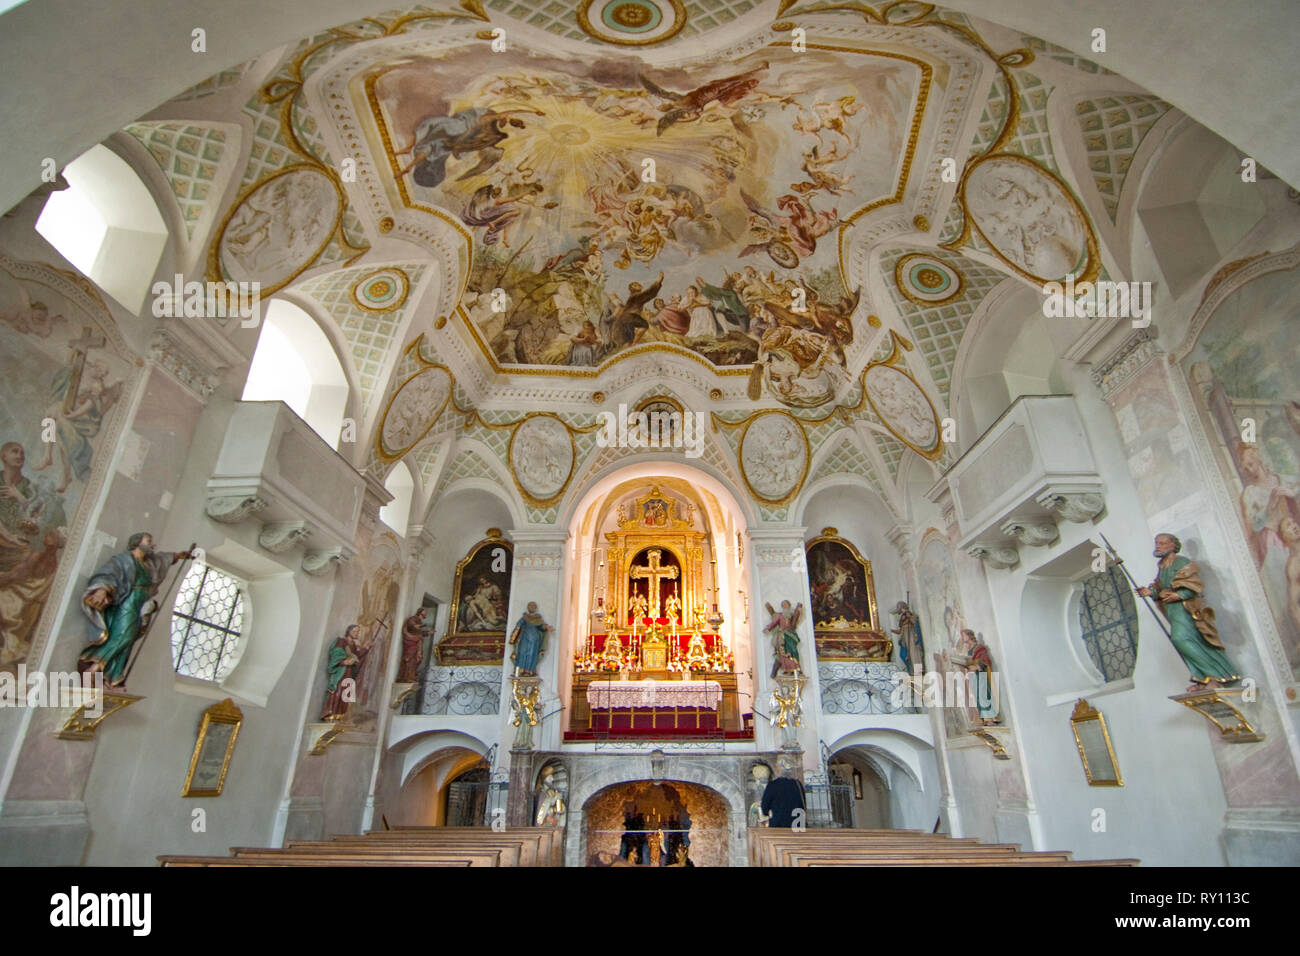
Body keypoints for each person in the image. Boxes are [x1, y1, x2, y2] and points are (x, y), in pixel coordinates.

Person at [78, 532, 193, 689]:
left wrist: (178, 556)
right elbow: (108, 574)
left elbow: (163, 558)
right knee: (124, 635)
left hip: (140, 604)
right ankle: (93, 668)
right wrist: (102, 590)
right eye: (149, 541)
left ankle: (110, 677)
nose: (153, 544)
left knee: (129, 641)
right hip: (128, 603)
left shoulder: (149, 563)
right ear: (137, 543)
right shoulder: (123, 560)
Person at [1136, 533, 1241, 691]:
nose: (1158, 546)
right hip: (1173, 610)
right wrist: (1149, 592)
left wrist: (1178, 595)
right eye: (1157, 543)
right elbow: (1160, 587)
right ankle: (1203, 679)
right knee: (1187, 642)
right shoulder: (1162, 566)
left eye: (1163, 543)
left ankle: (1216, 675)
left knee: (1181, 639)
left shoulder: (1181, 562)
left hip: (1186, 608)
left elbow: (1194, 585)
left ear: (1173, 545)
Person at [320, 624, 371, 721]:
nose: (357, 633)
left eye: (358, 632)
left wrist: (367, 648)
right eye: (355, 631)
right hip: (342, 671)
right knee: (338, 690)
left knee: (346, 694)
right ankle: (331, 713)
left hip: (350, 672)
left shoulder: (353, 645)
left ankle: (341, 715)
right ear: (349, 631)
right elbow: (336, 654)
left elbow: (357, 655)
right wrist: (344, 661)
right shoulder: (342, 641)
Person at [509, 601, 552, 676]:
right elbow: (518, 626)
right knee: (522, 652)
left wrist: (546, 627)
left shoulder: (538, 618)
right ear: (528, 608)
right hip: (524, 638)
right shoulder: (524, 618)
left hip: (534, 640)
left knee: (531, 654)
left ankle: (529, 671)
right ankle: (519, 670)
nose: (531, 607)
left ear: (535, 608)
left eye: (533, 606)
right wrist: (513, 638)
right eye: (530, 606)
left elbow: (541, 626)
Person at [760, 758, 806, 828]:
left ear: (778, 770)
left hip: (778, 825)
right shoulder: (798, 784)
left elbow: (764, 808)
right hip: (798, 826)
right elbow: (803, 805)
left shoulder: (772, 785)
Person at [764, 599, 803, 676]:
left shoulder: (792, 616)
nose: (785, 606)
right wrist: (768, 629)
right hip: (782, 636)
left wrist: (799, 610)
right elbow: (774, 623)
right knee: (784, 652)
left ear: (789, 606)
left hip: (791, 636)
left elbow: (795, 622)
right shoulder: (779, 615)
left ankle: (795, 668)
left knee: (793, 651)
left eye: (786, 604)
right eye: (783, 605)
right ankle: (787, 668)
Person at [396, 607, 427, 683]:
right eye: (424, 613)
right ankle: (406, 676)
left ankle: (411, 676)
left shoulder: (419, 622)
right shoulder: (413, 619)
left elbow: (420, 633)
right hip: (411, 642)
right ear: (420, 613)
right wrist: (420, 627)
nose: (425, 615)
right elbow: (411, 626)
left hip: (417, 643)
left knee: (417, 659)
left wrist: (428, 633)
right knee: (409, 659)